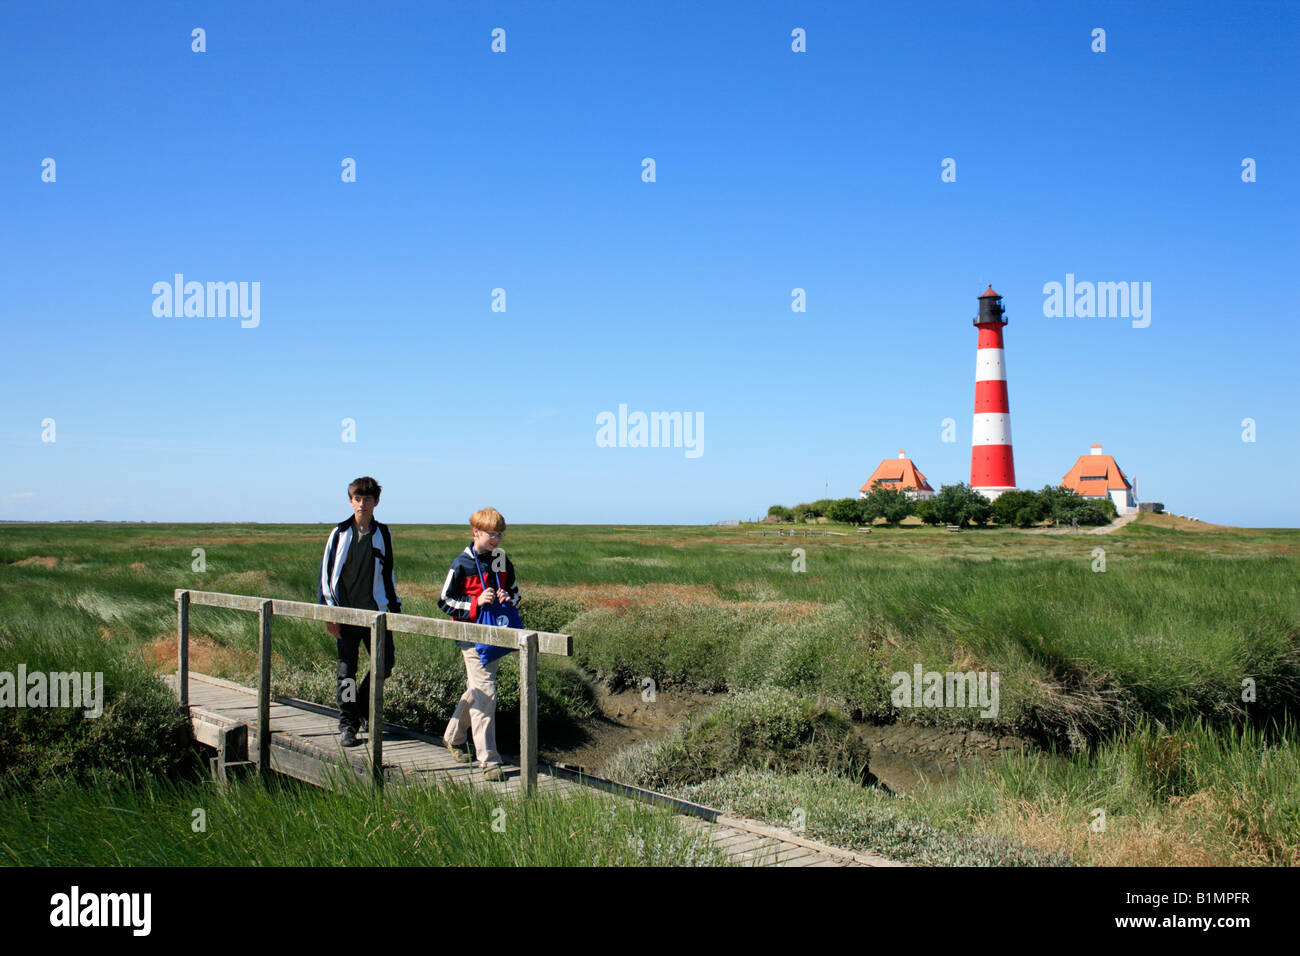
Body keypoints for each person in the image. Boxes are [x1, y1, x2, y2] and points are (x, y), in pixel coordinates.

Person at [437, 507, 520, 781]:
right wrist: (475, 603)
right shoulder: (462, 563)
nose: (496, 540)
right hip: (471, 637)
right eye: (490, 534)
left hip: (496, 635)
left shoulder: (502, 560)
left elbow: (516, 593)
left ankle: (453, 736)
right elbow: (444, 601)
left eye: (499, 535)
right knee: (486, 693)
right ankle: (489, 761)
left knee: (477, 688)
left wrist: (507, 598)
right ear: (475, 532)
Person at [318, 476, 401, 748]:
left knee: (385, 663)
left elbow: (387, 573)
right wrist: (330, 612)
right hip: (345, 614)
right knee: (346, 672)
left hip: (375, 614)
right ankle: (348, 725)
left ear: (376, 502)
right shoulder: (340, 533)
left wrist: (394, 607)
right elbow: (326, 575)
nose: (362, 504)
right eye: (358, 499)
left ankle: (360, 706)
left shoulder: (382, 533)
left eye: (367, 499)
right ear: (351, 501)